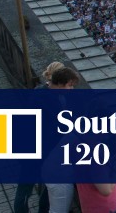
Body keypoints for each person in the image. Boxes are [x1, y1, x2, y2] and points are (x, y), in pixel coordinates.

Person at [12, 62, 67, 213]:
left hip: (35, 148)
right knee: (27, 188)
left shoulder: (40, 91)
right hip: (38, 150)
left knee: (28, 188)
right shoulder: (50, 100)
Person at [46, 67, 80, 213]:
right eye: (70, 85)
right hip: (56, 169)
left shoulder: (51, 95)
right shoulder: (47, 103)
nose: (71, 89)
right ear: (60, 83)